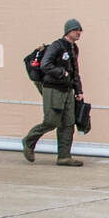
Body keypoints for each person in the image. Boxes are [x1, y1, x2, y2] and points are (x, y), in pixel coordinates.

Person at [22, 18, 86, 166]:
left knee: (68, 123)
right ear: (68, 31)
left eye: (80, 30)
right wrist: (61, 73)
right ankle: (29, 141)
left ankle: (64, 156)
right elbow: (45, 65)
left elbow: (75, 71)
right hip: (53, 89)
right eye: (77, 30)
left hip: (68, 90)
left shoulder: (73, 48)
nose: (79, 32)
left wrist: (79, 90)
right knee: (51, 121)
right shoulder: (56, 46)